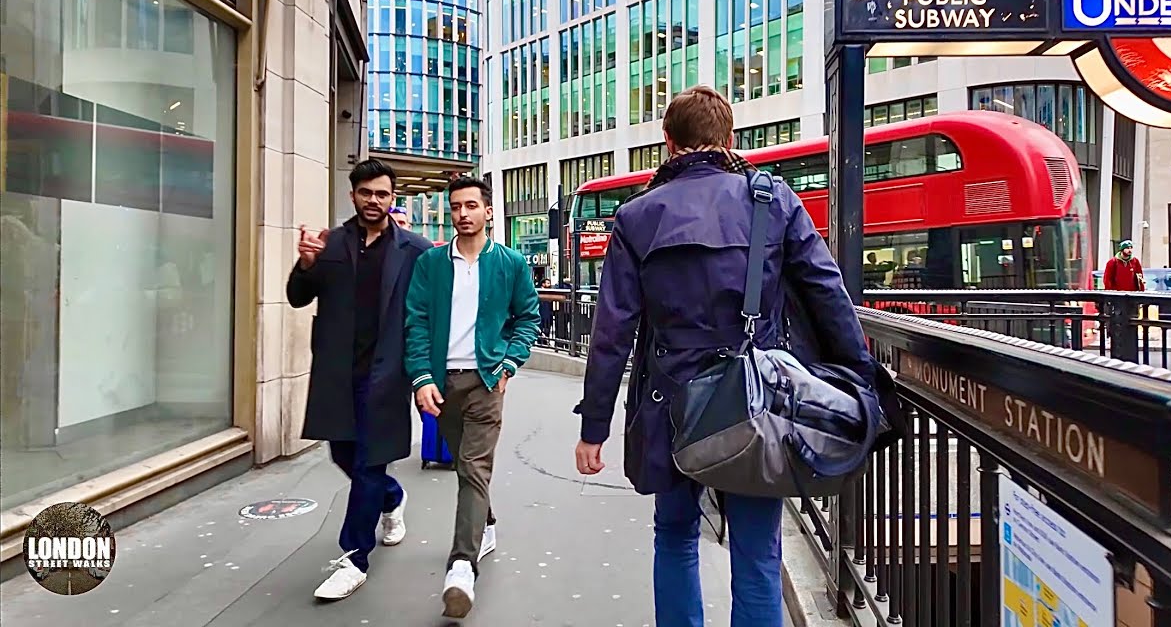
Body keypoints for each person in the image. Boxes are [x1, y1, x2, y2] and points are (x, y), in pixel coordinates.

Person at [572, 86, 878, 627]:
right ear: (729, 139)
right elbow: (827, 294)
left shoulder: (637, 216)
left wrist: (594, 426)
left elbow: (611, 332)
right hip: (754, 400)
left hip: (672, 403)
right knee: (759, 552)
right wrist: (860, 383)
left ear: (668, 144)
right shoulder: (773, 200)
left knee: (674, 535)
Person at [286, 159, 432, 600]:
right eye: (366, 193)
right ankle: (392, 497)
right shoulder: (330, 244)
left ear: (393, 199)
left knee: (369, 462)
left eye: (383, 194)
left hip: (387, 376)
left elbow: (430, 312)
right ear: (353, 195)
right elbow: (297, 298)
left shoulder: (416, 250)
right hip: (337, 373)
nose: (374, 201)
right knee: (344, 457)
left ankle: (353, 558)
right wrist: (306, 264)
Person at [403, 175, 542, 619]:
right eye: (456, 207)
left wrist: (508, 365)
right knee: (467, 465)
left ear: (488, 212)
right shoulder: (431, 264)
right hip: (441, 385)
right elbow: (416, 322)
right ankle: (487, 524)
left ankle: (461, 566)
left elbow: (528, 319)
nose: (462, 214)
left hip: (485, 382)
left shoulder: (511, 264)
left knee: (471, 466)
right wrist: (422, 377)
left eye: (470, 206)